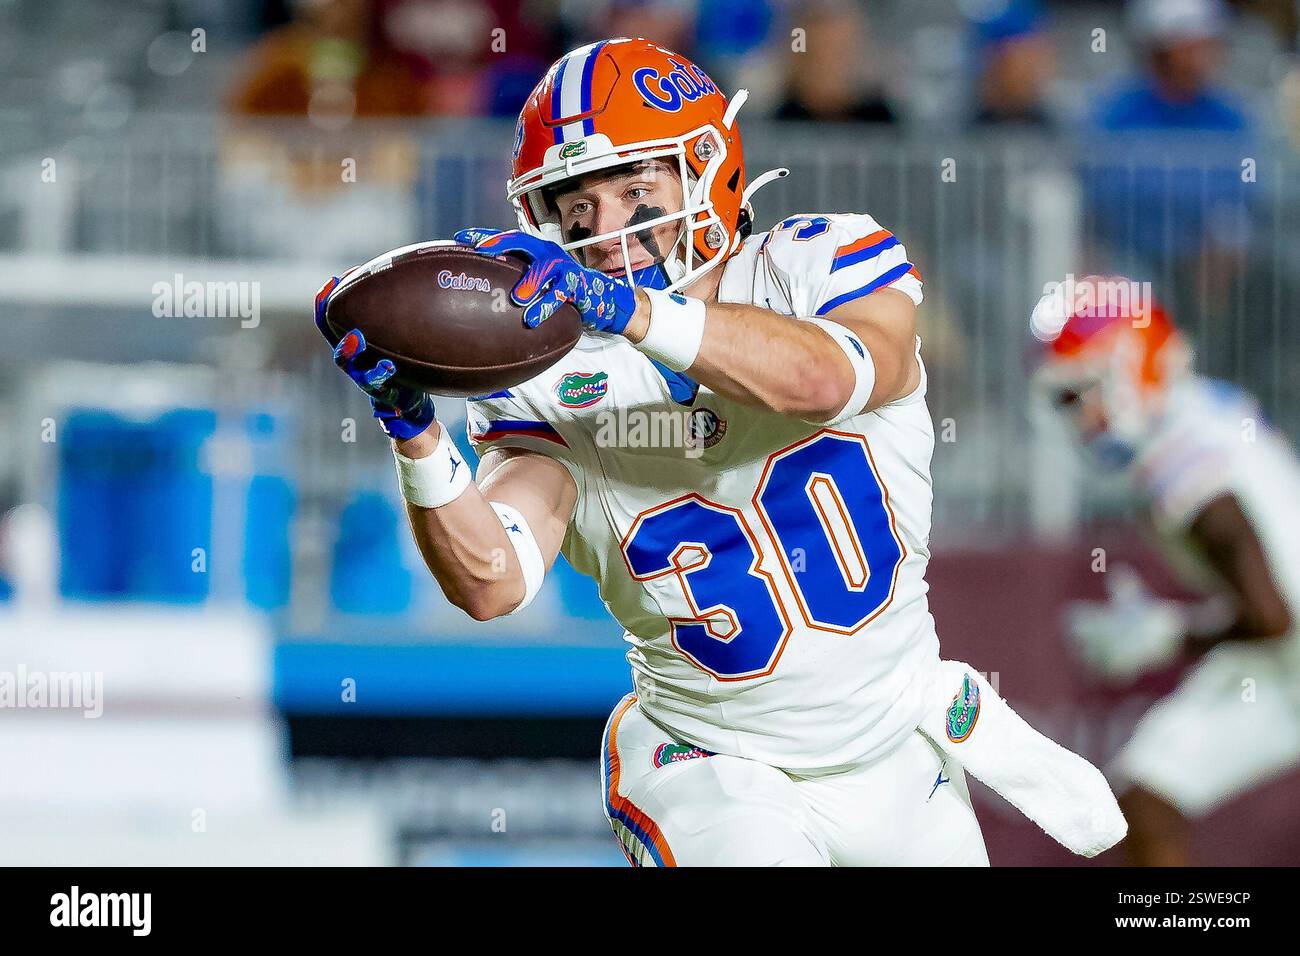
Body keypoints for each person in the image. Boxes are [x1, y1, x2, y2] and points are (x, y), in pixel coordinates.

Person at [316, 38, 1125, 866]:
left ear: (706, 167)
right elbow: (495, 581)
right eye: (575, 207)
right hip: (709, 759)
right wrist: (414, 434)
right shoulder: (553, 378)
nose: (604, 230)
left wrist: (633, 313)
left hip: (894, 743)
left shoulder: (818, 261)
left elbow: (824, 377)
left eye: (634, 188)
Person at [1033, 277, 1300, 866]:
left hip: (1286, 656)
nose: (1081, 419)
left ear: (1131, 367)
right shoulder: (1197, 416)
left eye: (1083, 395)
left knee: (1148, 802)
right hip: (1284, 663)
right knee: (1148, 797)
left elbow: (1273, 615)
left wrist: (1166, 635)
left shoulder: (1182, 455)